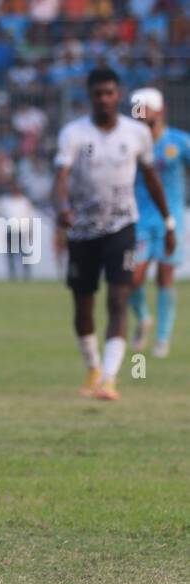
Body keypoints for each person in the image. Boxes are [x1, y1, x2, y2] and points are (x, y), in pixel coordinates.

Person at [54, 68, 173, 400]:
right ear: (90, 96)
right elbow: (61, 177)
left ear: (118, 96)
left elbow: (151, 178)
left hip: (122, 228)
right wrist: (62, 207)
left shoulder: (137, 133)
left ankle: (109, 378)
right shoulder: (73, 133)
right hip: (82, 232)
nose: (104, 99)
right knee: (83, 305)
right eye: (98, 94)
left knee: (118, 298)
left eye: (109, 93)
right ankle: (92, 366)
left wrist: (169, 222)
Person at [128, 87, 187, 358]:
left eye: (144, 107)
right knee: (133, 277)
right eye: (136, 108)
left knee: (165, 276)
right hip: (138, 219)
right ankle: (143, 317)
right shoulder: (130, 142)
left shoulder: (179, 141)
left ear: (160, 110)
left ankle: (162, 339)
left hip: (170, 220)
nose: (139, 113)